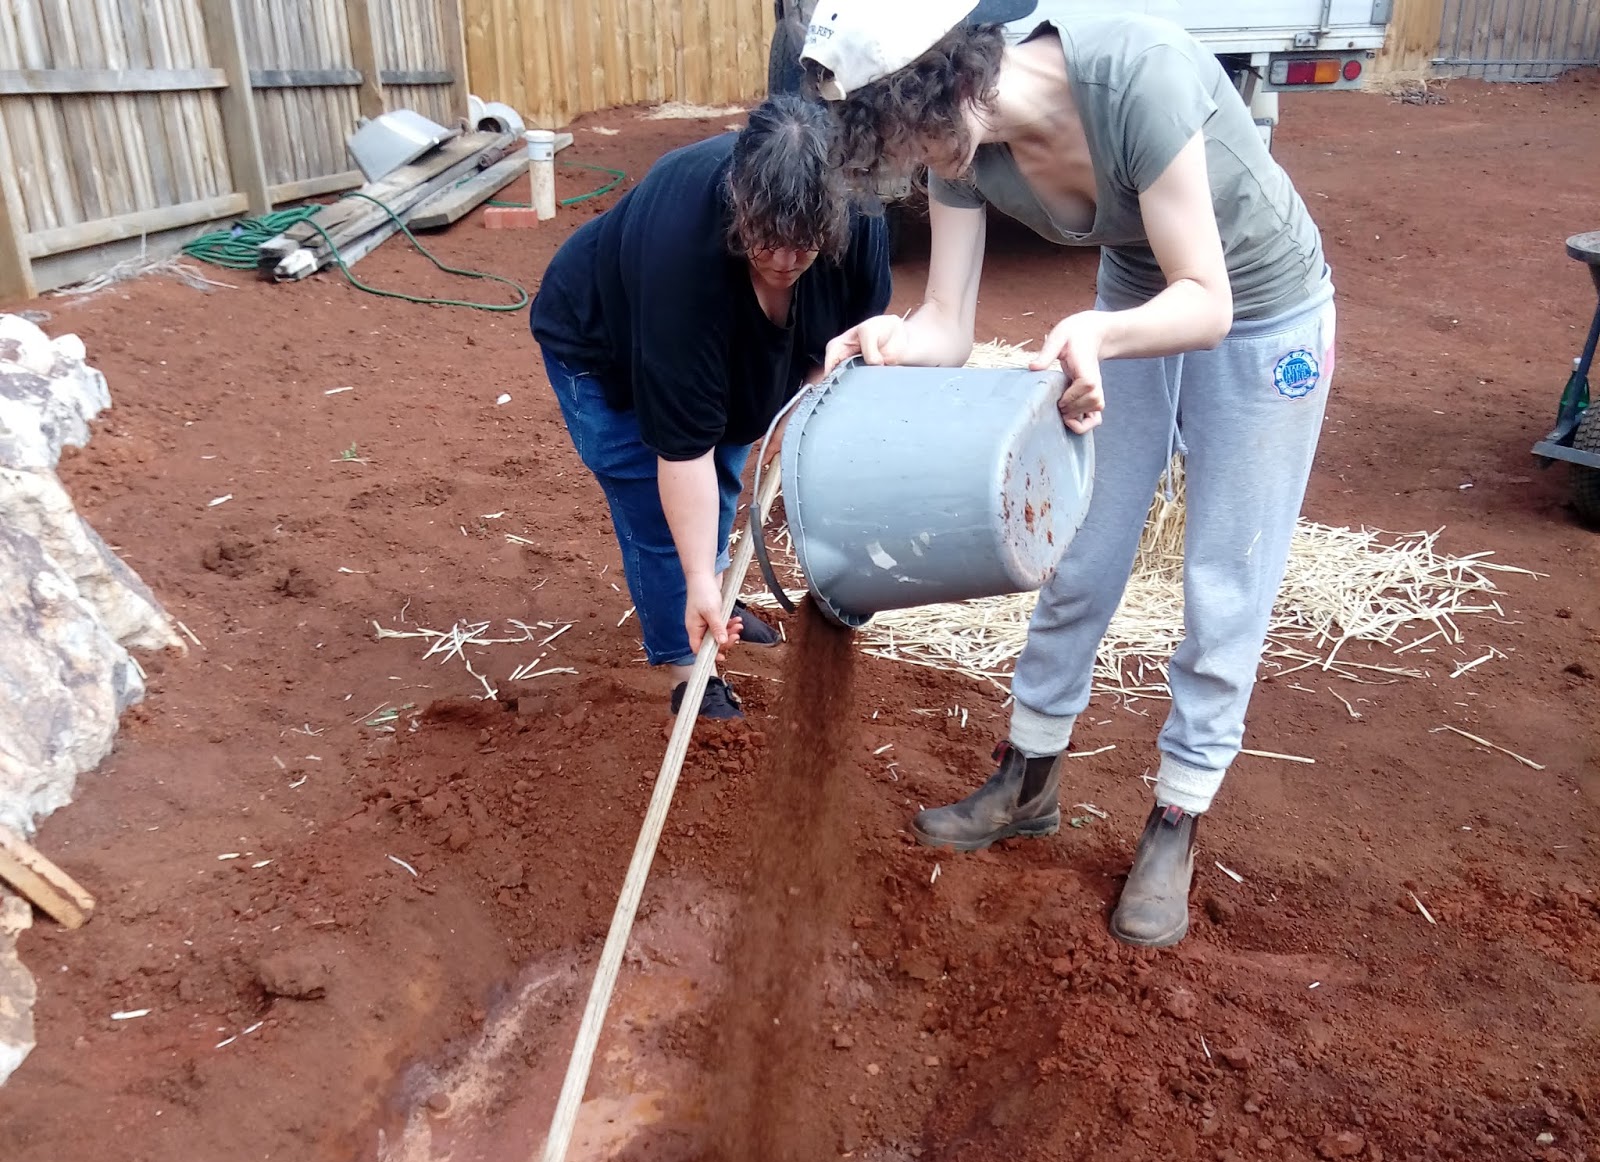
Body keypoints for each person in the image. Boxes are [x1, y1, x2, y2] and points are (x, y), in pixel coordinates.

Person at [805, 0, 1336, 946]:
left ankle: (1177, 813)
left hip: (1259, 308)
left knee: (1225, 577)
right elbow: (950, 323)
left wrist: (1097, 332)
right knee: (1079, 543)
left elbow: (1207, 302)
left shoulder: (1139, 76)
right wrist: (889, 337)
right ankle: (1031, 774)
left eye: (900, 135)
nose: (910, 164)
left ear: (944, 81)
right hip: (1137, 291)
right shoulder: (961, 149)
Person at [530, 95, 892, 720]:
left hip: (719, 342)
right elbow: (683, 448)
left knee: (728, 466)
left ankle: (715, 592)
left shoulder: (858, 217)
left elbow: (843, 339)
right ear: (740, 201)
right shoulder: (683, 252)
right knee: (651, 502)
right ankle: (682, 655)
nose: (782, 263)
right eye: (765, 242)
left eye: (803, 247)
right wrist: (697, 574)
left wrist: (804, 404)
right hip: (602, 345)